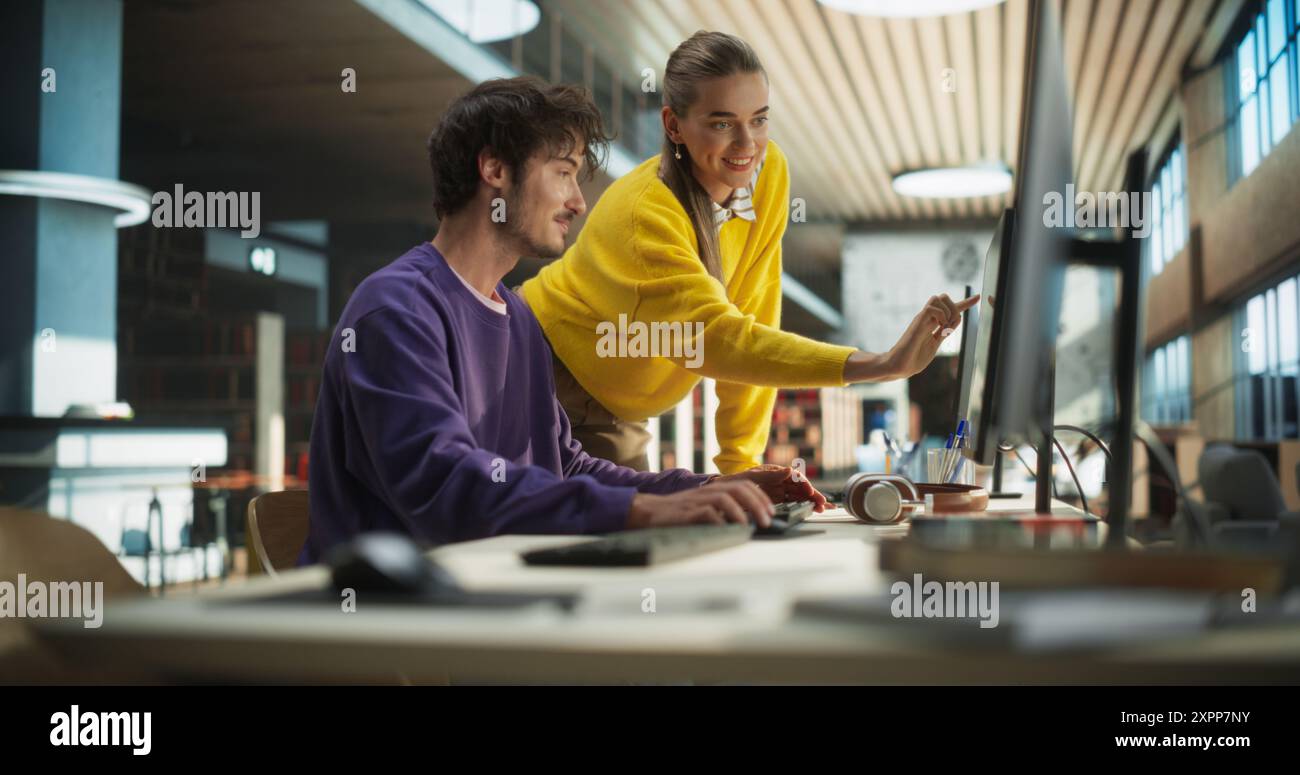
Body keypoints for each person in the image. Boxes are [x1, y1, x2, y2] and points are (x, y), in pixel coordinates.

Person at [299, 77, 823, 564]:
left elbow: (568, 465)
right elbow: (443, 483)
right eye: (564, 173)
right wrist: (636, 512)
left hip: (492, 601)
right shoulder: (396, 310)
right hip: (389, 623)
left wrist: (703, 489)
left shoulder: (520, 318)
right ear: (495, 170)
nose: (577, 202)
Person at [522, 31, 976, 473]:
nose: (747, 145)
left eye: (758, 119)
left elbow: (754, 316)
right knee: (611, 538)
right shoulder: (646, 216)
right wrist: (878, 365)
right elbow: (719, 340)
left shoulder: (767, 172)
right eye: (722, 123)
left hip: (618, 403)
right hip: (546, 373)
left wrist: (740, 464)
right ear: (673, 125)